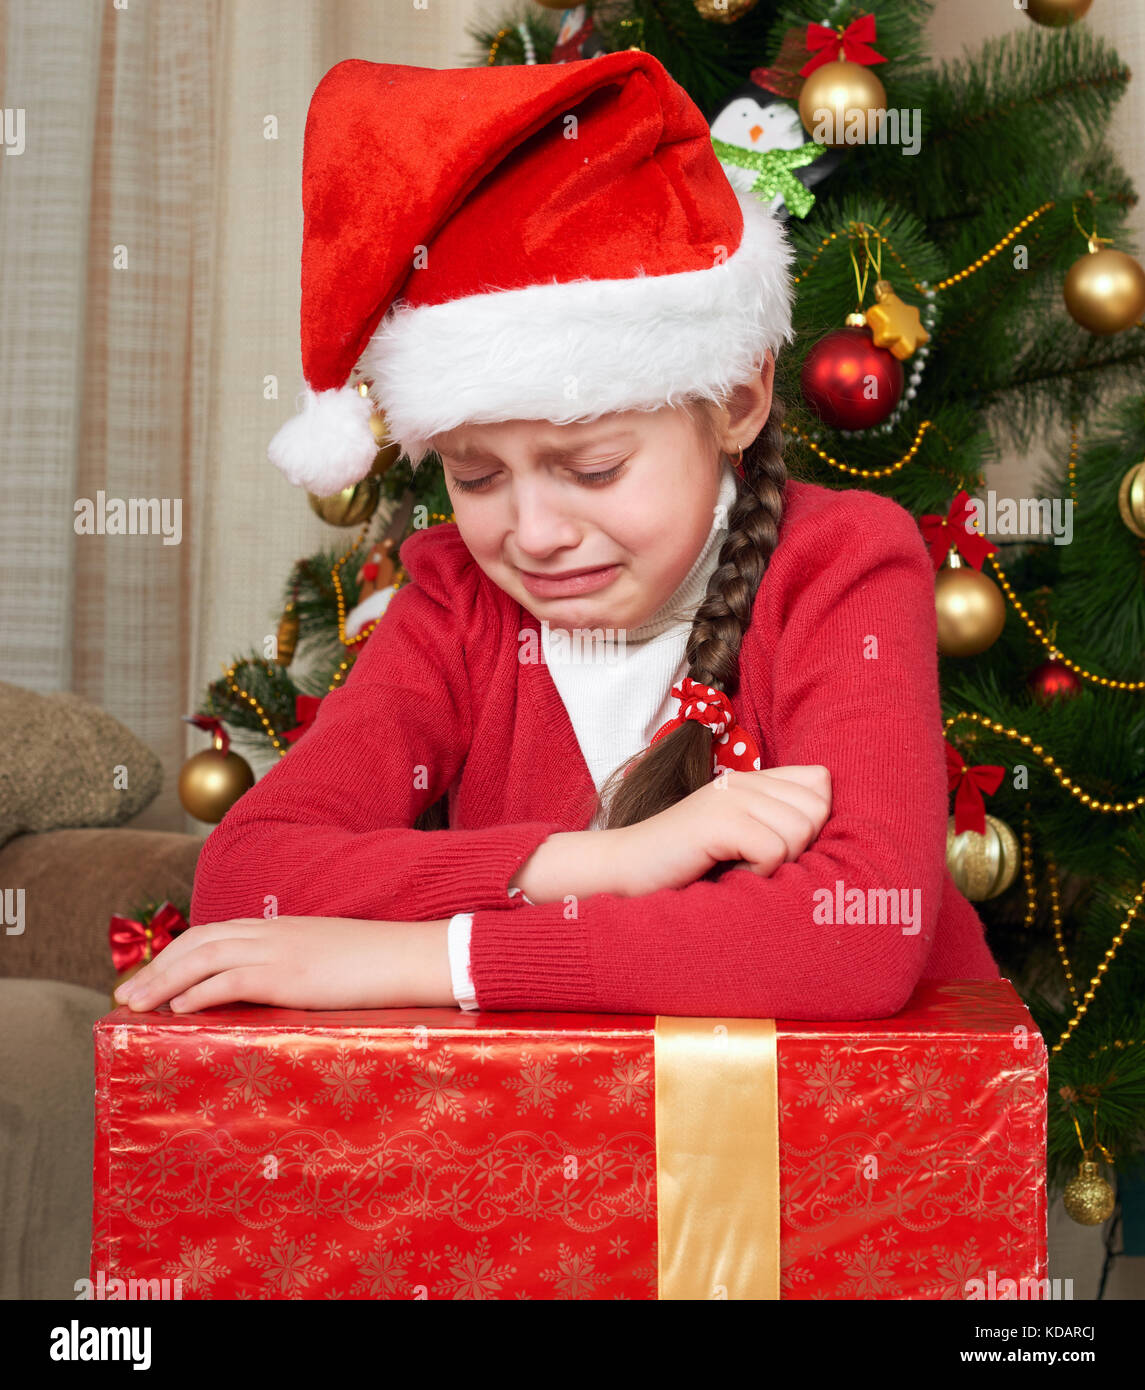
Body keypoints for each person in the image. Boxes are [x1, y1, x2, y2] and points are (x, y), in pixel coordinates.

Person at [115, 51, 1000, 1019]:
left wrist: (432, 961)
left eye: (591, 470)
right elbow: (248, 875)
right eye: (475, 474)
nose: (532, 534)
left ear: (738, 398)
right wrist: (598, 862)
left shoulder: (840, 566)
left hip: (822, 1154)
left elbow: (853, 931)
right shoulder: (460, 603)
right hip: (564, 1155)